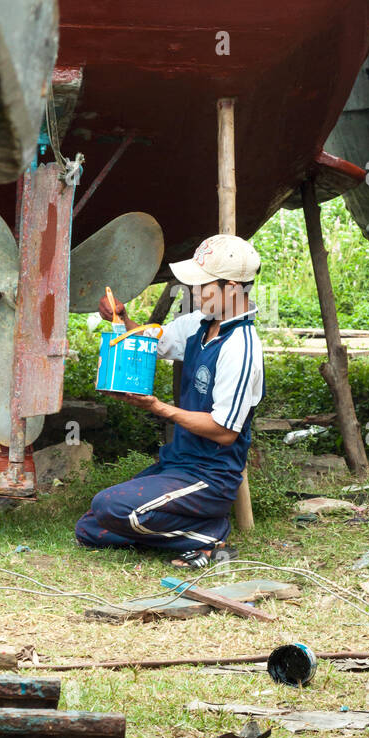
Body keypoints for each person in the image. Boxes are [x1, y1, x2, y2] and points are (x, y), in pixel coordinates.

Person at [74, 234, 264, 567]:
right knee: (90, 525)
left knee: (110, 507)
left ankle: (208, 534)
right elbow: (154, 342)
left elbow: (224, 432)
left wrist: (157, 407)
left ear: (231, 289)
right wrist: (120, 319)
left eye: (202, 285)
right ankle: (189, 532)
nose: (193, 291)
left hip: (210, 478)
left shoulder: (241, 347)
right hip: (177, 464)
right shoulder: (199, 324)